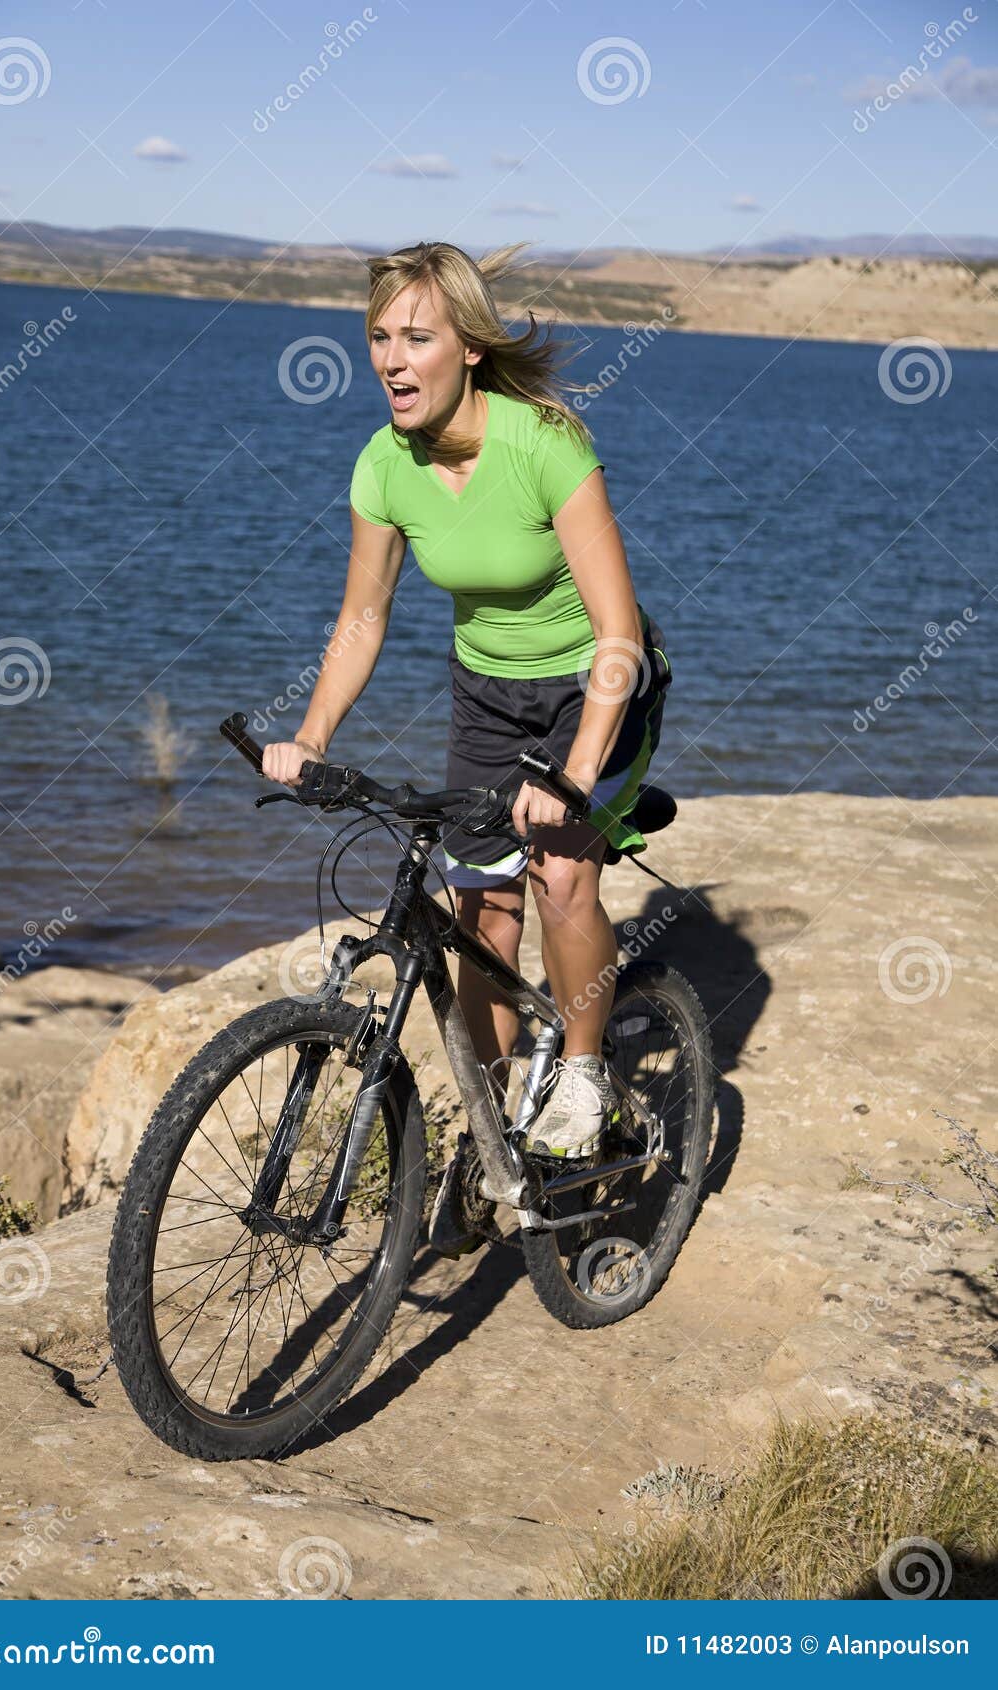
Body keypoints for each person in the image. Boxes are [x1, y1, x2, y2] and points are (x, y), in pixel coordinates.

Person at [262, 239, 671, 1169]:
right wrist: (310, 739)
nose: (391, 360)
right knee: (479, 907)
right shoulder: (383, 466)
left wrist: (571, 774)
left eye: (416, 337)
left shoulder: (543, 443)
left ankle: (579, 1071)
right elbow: (361, 621)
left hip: (593, 685)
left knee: (561, 871)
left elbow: (614, 632)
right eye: (377, 338)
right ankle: (492, 1138)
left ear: (471, 347)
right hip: (486, 696)